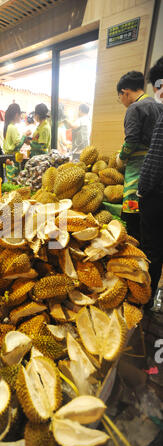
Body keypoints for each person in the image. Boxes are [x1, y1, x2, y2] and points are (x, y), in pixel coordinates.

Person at [116, 70, 163, 241]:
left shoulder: (135, 108)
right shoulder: (158, 104)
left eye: (119, 97)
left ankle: (134, 252)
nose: (121, 101)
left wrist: (121, 157)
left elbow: (131, 141)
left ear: (125, 92)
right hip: (156, 169)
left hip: (139, 167)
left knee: (133, 218)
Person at [138, 57, 163, 314]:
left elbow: (155, 159)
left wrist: (141, 189)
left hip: (157, 196)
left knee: (151, 251)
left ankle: (145, 299)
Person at [3, 103, 29, 181]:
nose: (21, 117)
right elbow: (17, 146)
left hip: (10, 158)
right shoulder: (12, 127)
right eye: (20, 115)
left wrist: (24, 139)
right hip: (13, 159)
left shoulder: (9, 126)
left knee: (10, 180)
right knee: (13, 181)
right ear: (16, 114)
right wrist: (24, 136)